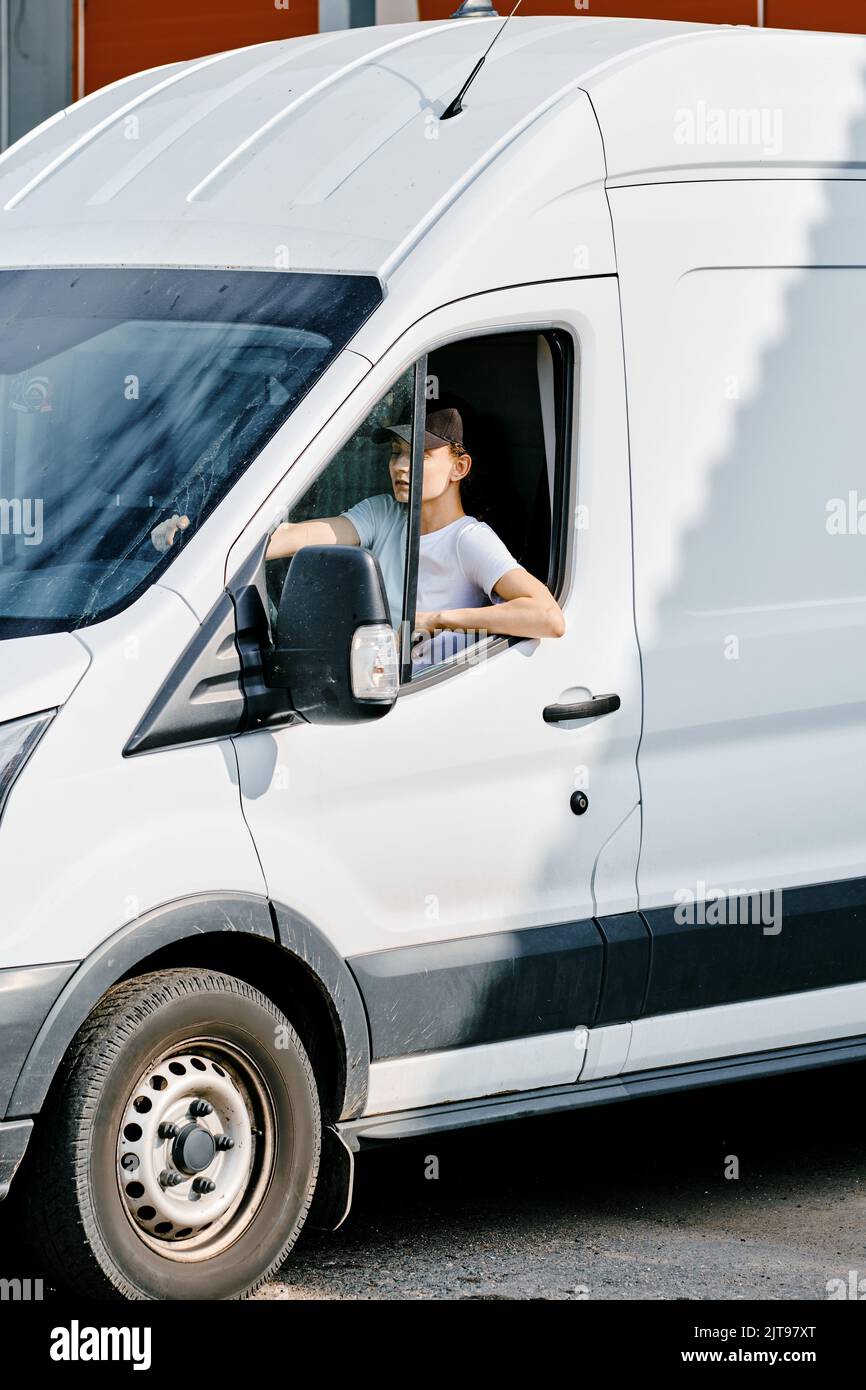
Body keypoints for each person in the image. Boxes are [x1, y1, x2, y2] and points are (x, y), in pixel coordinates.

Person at [265, 406, 565, 666]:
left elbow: (548, 617)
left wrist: (435, 620)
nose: (399, 466)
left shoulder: (468, 538)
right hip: (375, 682)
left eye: (418, 455)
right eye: (396, 452)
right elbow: (295, 536)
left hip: (425, 694)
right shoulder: (382, 512)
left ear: (459, 467)